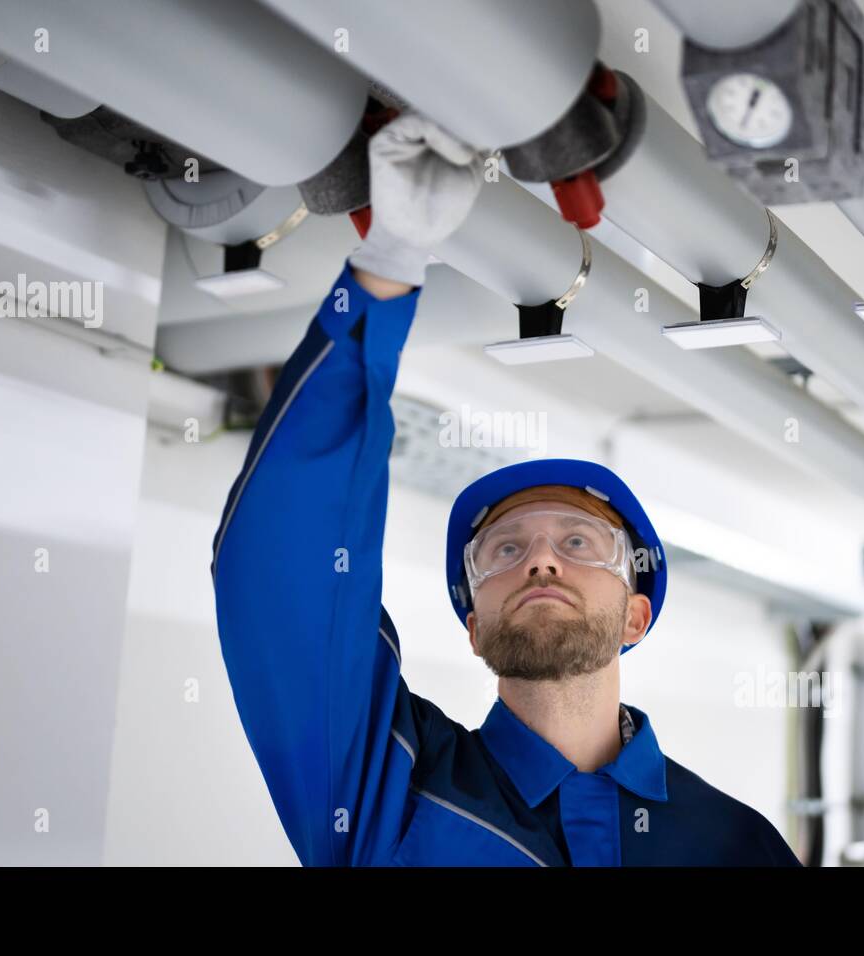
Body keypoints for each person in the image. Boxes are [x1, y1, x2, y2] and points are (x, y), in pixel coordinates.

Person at [211, 113, 801, 867]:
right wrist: (388, 258)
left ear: (636, 613)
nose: (540, 561)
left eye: (581, 542)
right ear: (475, 627)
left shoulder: (737, 846)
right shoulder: (391, 796)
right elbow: (278, 580)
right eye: (506, 549)